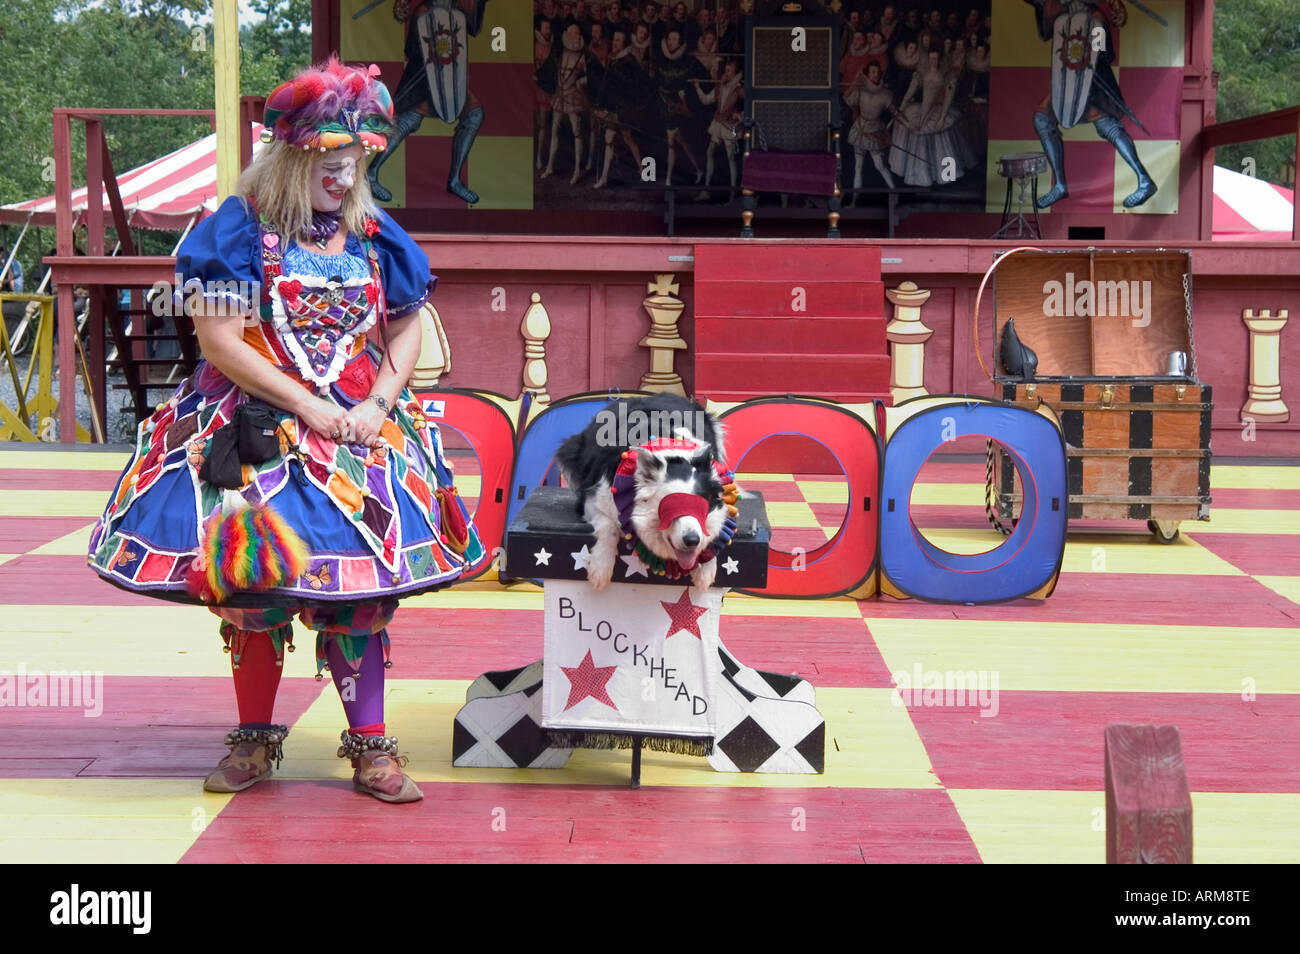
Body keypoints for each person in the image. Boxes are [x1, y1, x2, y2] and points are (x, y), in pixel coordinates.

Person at [87, 58, 482, 804]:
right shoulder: (236, 231)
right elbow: (222, 342)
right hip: (256, 426)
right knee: (252, 583)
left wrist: (378, 404)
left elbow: (405, 331)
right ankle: (255, 740)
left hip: (360, 433)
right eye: (328, 161)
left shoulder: (373, 234)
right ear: (290, 157)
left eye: (354, 160)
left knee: (359, 596)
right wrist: (307, 404)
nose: (343, 174)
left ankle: (370, 746)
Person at [1026, 0, 1156, 209]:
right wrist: (1040, 6)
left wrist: (1090, 49)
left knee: (1107, 125)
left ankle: (1145, 180)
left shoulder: (1096, 19)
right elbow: (1047, 32)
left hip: (1092, 82)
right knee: (1042, 118)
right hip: (1068, 81)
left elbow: (1104, 55)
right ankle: (1060, 184)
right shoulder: (1063, 14)